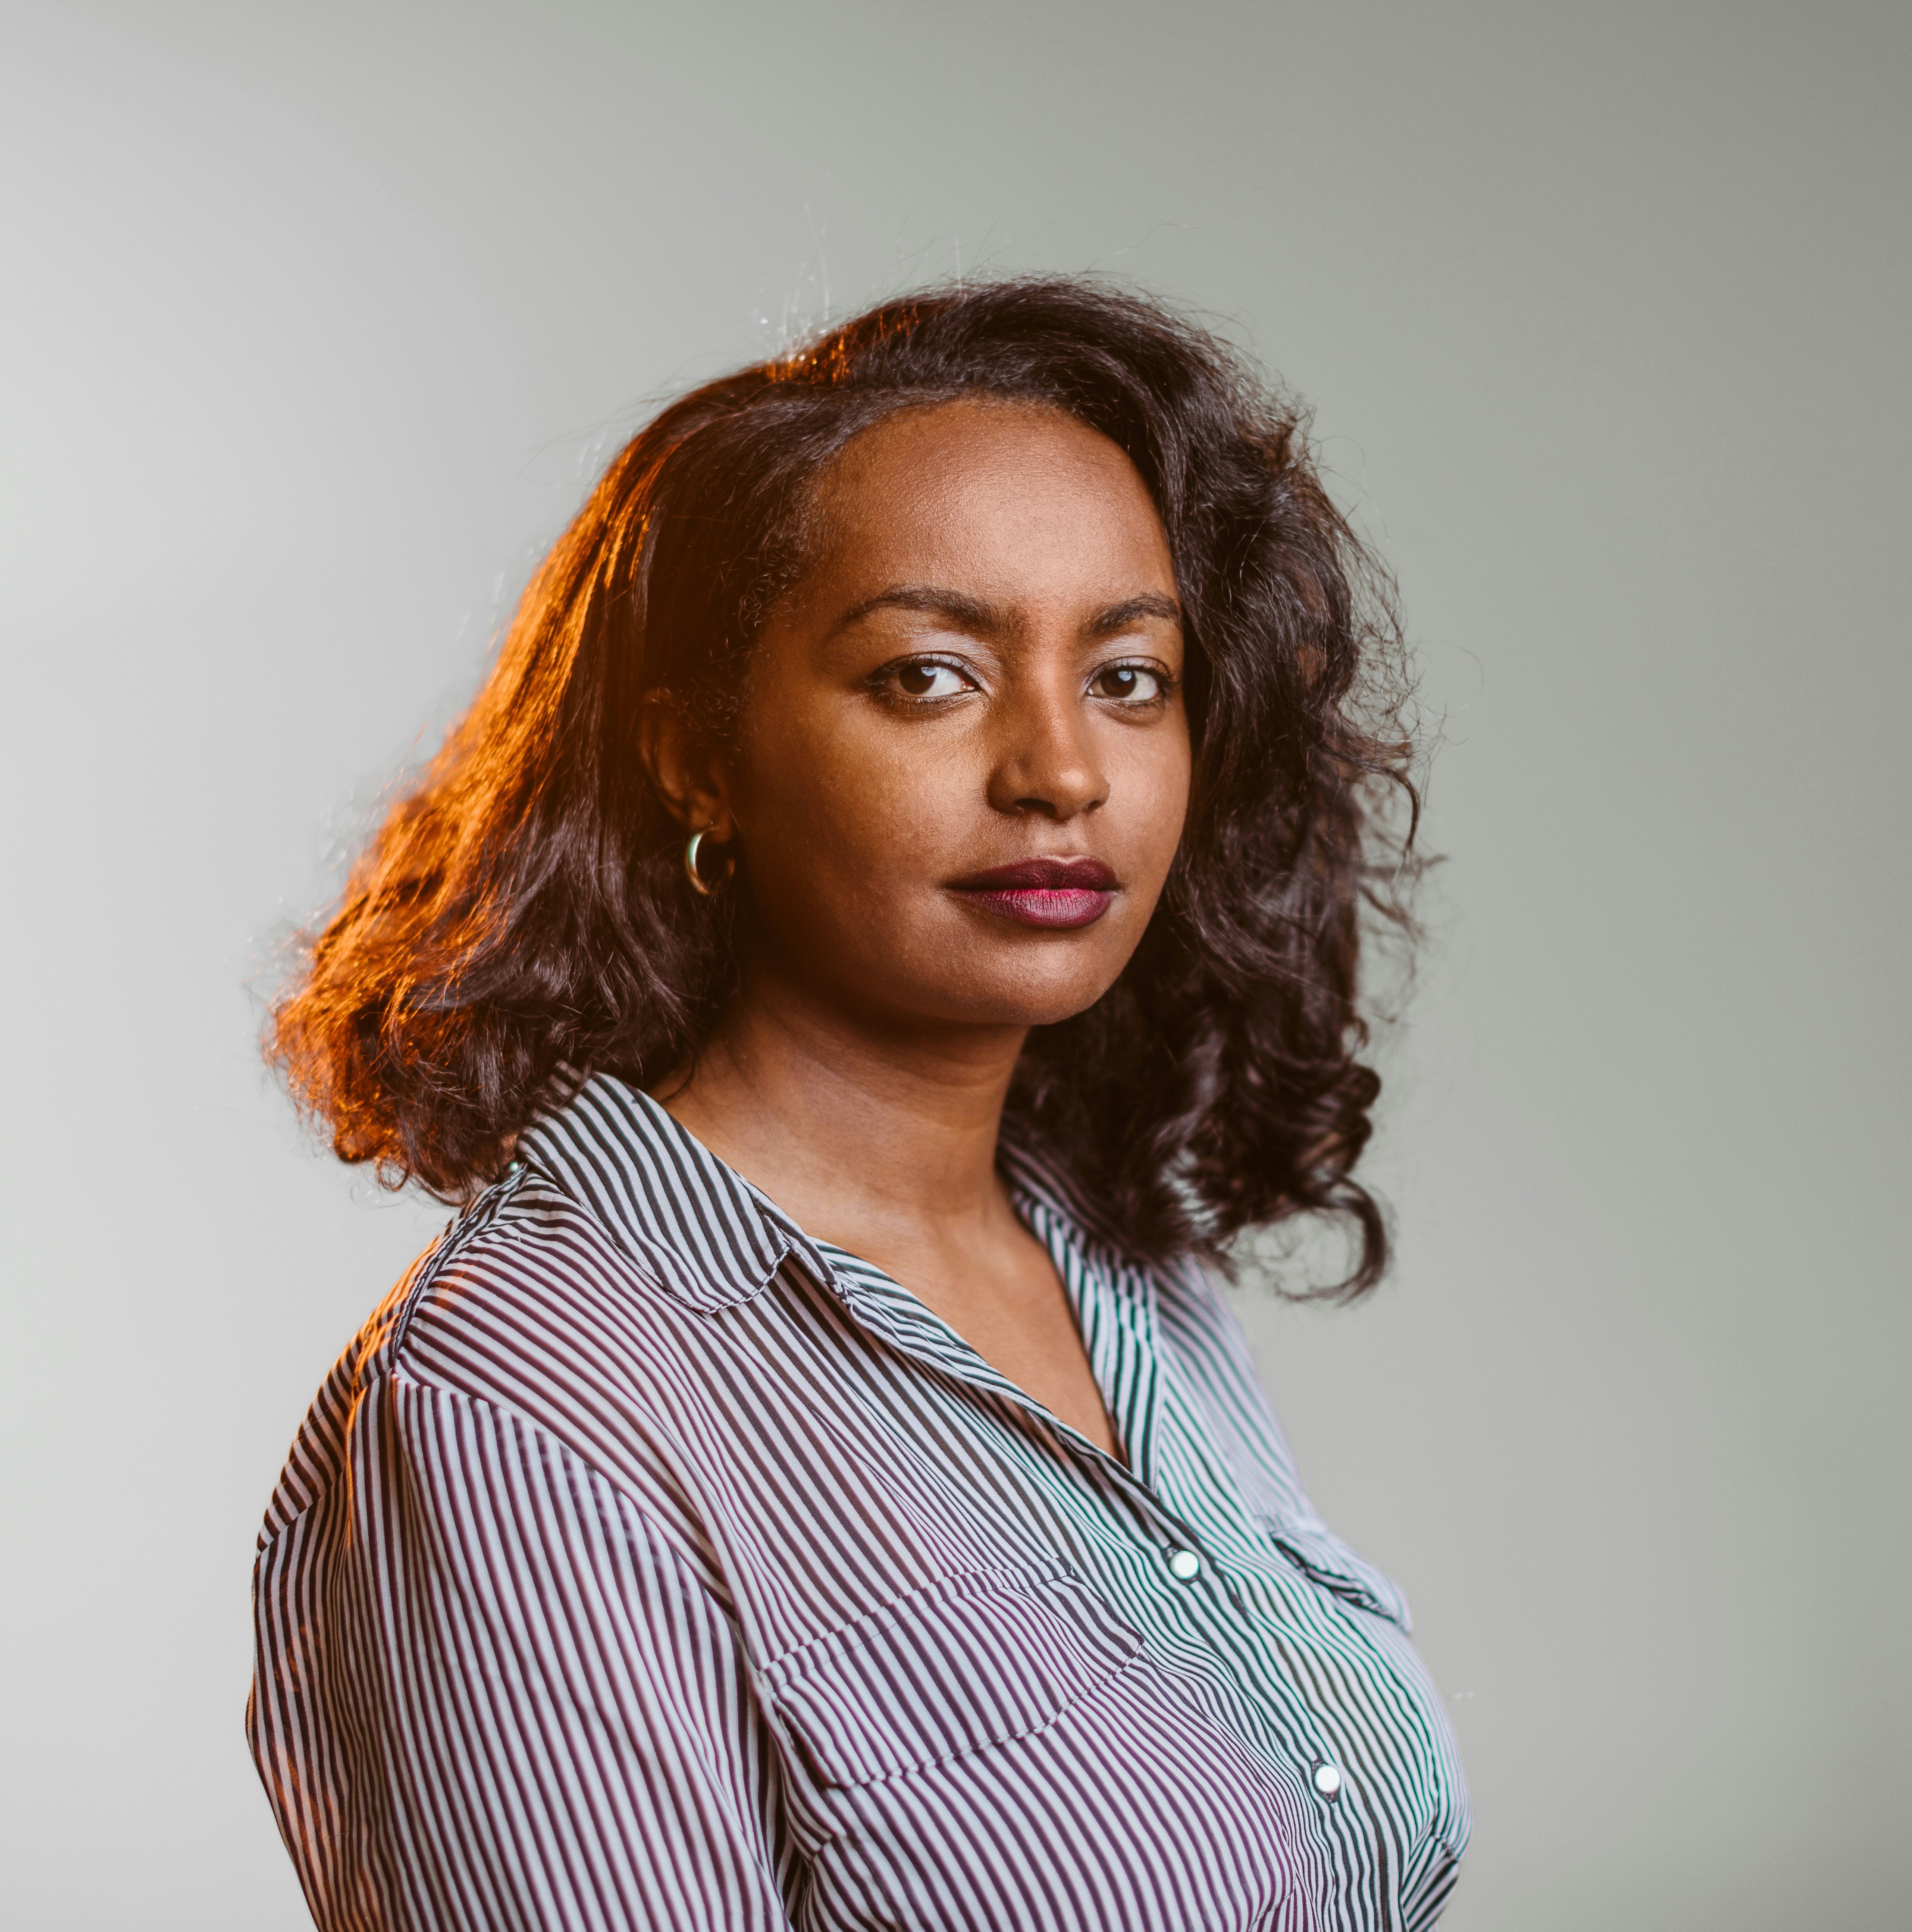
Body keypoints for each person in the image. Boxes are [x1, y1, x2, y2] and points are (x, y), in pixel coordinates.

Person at [251, 277, 1470, 1932]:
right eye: (929, 676)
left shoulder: (1118, 1260)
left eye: (1129, 676)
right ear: (697, 759)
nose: (1062, 770)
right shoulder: (533, 1408)